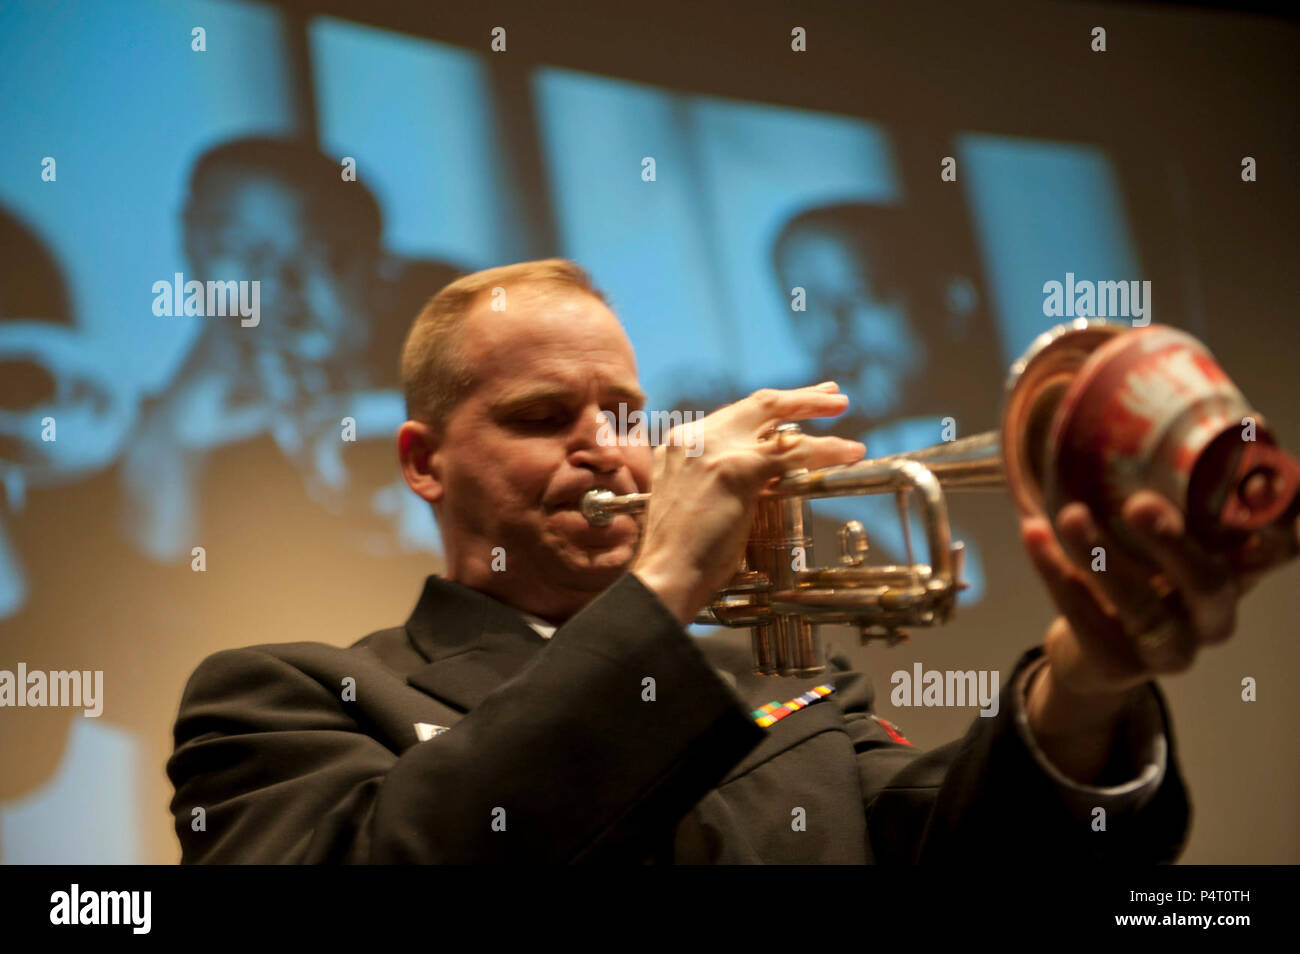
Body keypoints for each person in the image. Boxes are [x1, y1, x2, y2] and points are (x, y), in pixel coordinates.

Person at [167, 258, 1295, 863]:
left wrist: (1088, 681)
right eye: (547, 413)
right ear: (423, 462)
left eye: (625, 411)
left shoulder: (796, 703)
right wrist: (663, 591)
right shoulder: (283, 698)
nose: (610, 448)